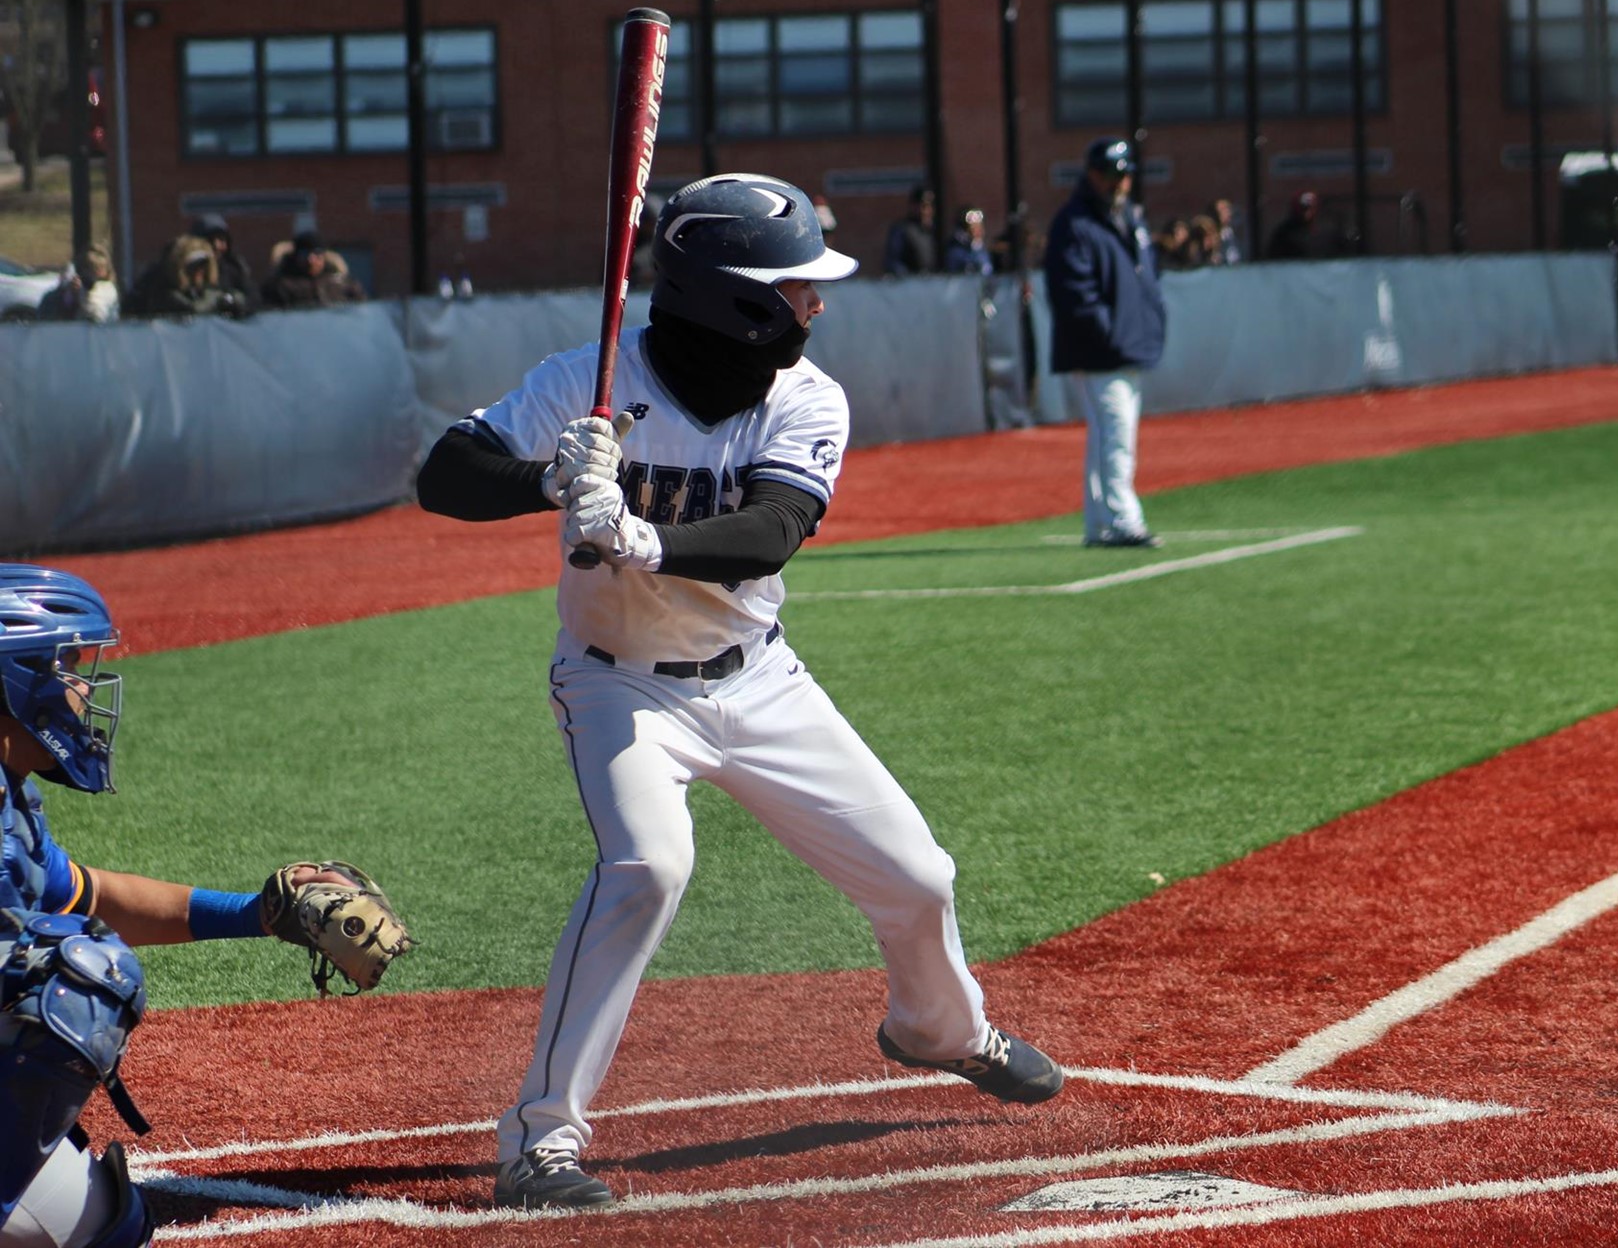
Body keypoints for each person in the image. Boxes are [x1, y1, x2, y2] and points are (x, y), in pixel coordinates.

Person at [414, 172, 1064, 1212]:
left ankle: (940, 1028)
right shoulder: (586, 379)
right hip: (620, 688)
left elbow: (771, 530)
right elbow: (443, 473)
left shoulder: (807, 397)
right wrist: (542, 480)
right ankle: (541, 1140)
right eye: (798, 284)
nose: (816, 303)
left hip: (759, 681)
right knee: (646, 866)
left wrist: (641, 535)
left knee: (920, 876)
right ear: (735, 296)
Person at [0, 565, 395, 1248]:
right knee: (77, 979)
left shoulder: (9, 800)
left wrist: (258, 913)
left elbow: (87, 895)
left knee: (109, 1224)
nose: (82, 689)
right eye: (66, 665)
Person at [1042, 137, 1167, 549]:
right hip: (1100, 351)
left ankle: (1101, 523)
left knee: (1109, 435)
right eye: (1112, 174)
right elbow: (1074, 292)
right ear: (1093, 174)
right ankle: (1121, 519)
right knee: (1115, 435)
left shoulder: (1128, 217)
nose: (1120, 181)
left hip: (1126, 345)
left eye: (1125, 173)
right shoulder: (1075, 222)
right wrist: (1108, 333)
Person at [122, 235, 245, 320]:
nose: (199, 270)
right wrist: (219, 301)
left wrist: (232, 299)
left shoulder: (209, 291)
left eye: (203, 265)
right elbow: (192, 309)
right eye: (193, 266)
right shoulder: (167, 295)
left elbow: (241, 298)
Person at [261, 231, 368, 309]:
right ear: (295, 257)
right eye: (304, 254)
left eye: (317, 254)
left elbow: (361, 313)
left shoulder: (342, 283)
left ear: (324, 256)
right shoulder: (280, 286)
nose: (311, 260)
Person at [188, 214, 256, 316]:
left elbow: (253, 298)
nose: (217, 246)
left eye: (222, 240)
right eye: (210, 241)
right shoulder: (183, 272)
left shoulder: (233, 270)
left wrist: (236, 304)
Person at [36, 242, 118, 323]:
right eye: (85, 269)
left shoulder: (107, 290)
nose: (89, 274)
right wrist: (69, 297)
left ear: (104, 271)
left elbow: (96, 317)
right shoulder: (53, 298)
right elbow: (46, 321)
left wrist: (84, 297)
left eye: (96, 269)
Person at [883, 184, 939, 276]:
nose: (926, 211)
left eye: (930, 206)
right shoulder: (902, 229)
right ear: (913, 206)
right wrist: (906, 276)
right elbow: (892, 261)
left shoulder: (932, 231)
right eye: (923, 206)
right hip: (910, 284)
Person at [1265, 191, 1336, 260]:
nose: (1307, 212)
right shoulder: (1284, 234)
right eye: (1303, 208)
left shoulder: (1327, 232)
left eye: (1310, 207)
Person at [944, 207, 994, 275]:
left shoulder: (983, 252)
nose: (978, 232)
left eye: (980, 227)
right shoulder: (956, 252)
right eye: (974, 228)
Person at [1211, 197, 1244, 265]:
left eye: (1228, 209)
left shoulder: (1237, 229)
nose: (1227, 213)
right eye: (1222, 210)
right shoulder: (1214, 233)